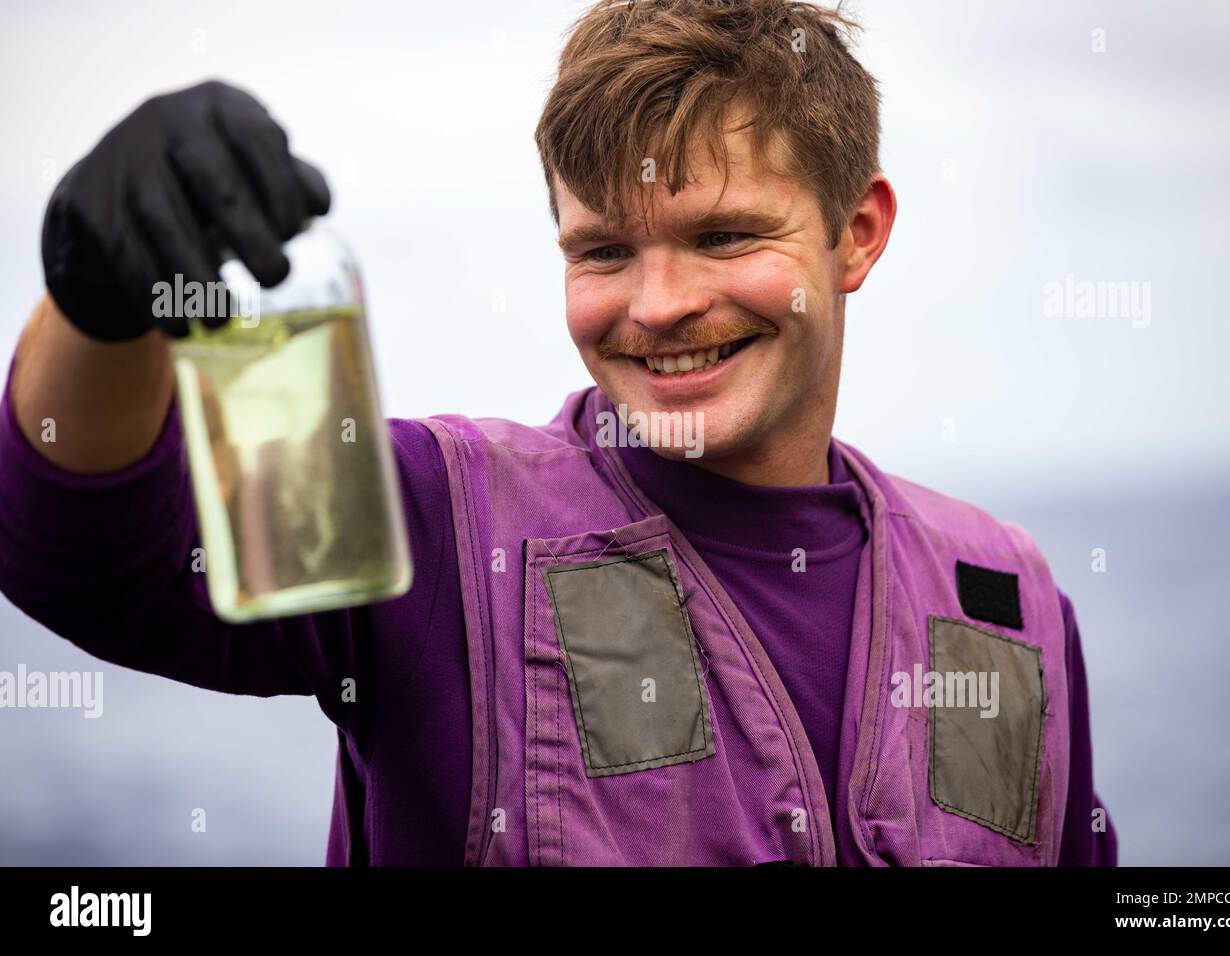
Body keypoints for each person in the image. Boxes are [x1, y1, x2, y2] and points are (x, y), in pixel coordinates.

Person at [0, 0, 1116, 866]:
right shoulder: (433, 521)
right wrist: (101, 303)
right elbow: (90, 556)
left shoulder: (1003, 598)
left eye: (723, 234)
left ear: (856, 233)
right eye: (603, 252)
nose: (660, 302)